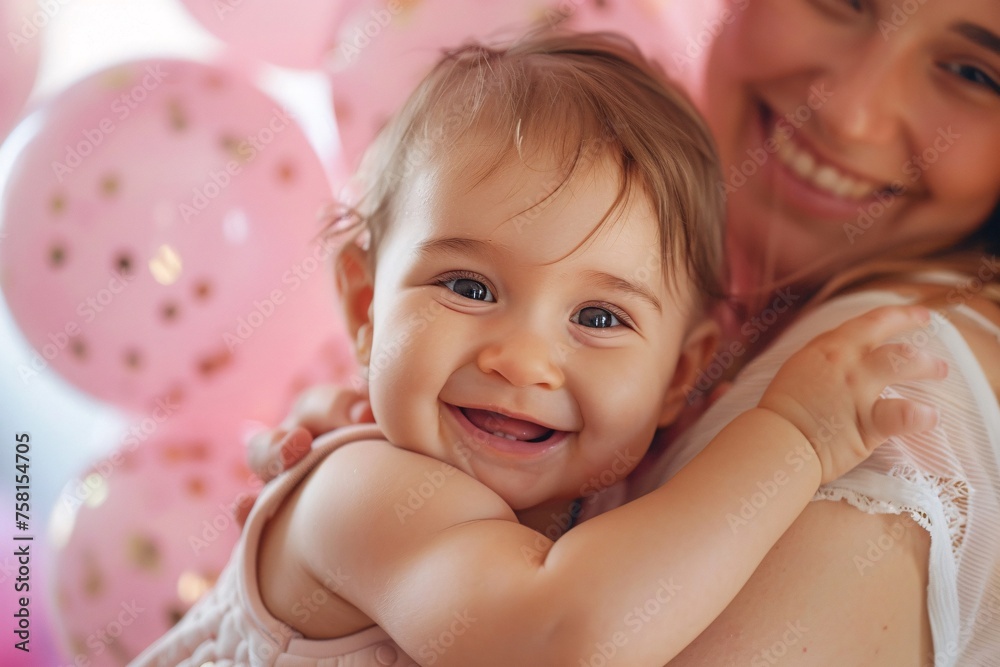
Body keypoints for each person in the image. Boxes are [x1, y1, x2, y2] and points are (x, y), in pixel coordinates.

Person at [131, 31, 944, 667]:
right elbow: (563, 635)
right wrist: (795, 436)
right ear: (365, 302)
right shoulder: (362, 495)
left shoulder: (608, 503)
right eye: (470, 288)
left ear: (681, 374)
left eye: (598, 317)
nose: (522, 361)